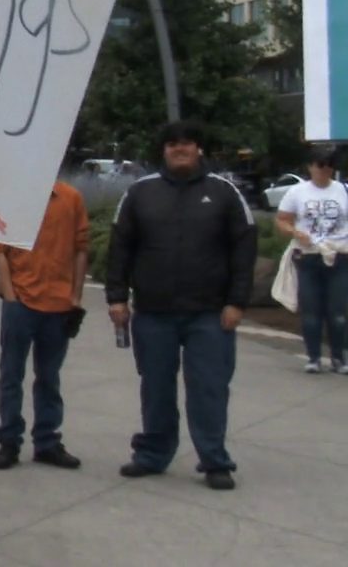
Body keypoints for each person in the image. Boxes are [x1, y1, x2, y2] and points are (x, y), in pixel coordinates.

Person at [105, 120, 256, 490]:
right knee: (155, 387)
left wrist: (237, 302)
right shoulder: (140, 193)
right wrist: (116, 297)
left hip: (210, 314)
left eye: (188, 143)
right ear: (164, 150)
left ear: (199, 149)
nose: (180, 148)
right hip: (153, 313)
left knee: (209, 388)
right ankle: (153, 454)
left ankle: (214, 460)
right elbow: (120, 247)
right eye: (173, 144)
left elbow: (244, 248)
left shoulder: (224, 192)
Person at [0, 181, 90, 470]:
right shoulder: (12, 196)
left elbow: (81, 247)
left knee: (49, 376)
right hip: (21, 303)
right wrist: (10, 297)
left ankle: (47, 442)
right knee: (11, 375)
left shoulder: (72, 198)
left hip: (59, 305)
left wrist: (76, 296)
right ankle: (9, 441)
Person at [275, 146, 348, 374]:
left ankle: (338, 357)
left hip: (338, 254)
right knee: (311, 311)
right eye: (319, 165)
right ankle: (314, 357)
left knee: (337, 312)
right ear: (310, 167)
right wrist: (296, 233)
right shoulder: (298, 192)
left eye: (328, 166)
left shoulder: (343, 190)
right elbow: (282, 220)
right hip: (307, 256)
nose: (323, 170)